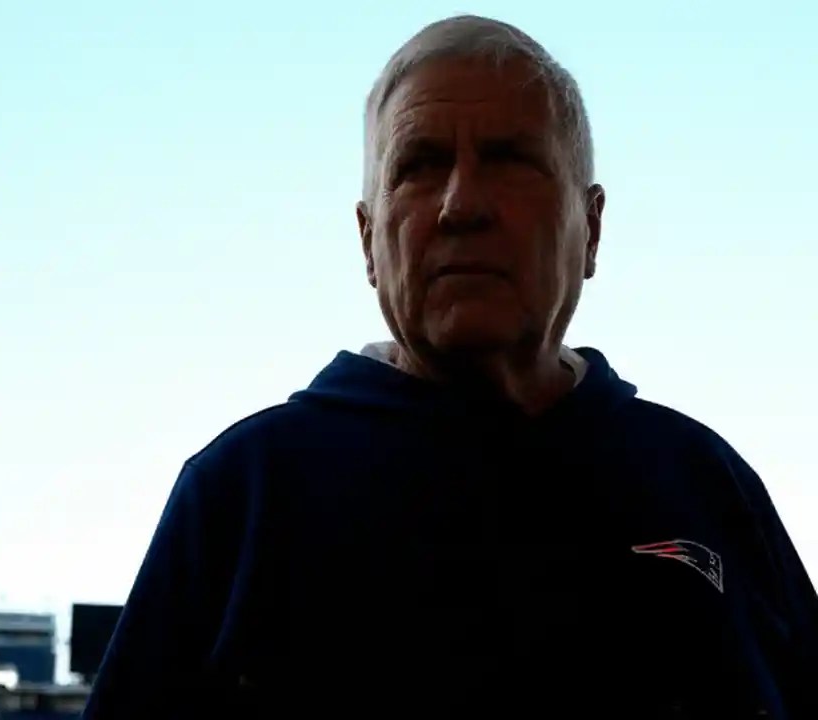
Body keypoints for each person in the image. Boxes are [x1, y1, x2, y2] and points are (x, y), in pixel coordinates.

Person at [81, 15, 818, 719]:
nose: (461, 206)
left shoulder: (708, 490)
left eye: (510, 160)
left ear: (591, 228)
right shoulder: (241, 498)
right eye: (420, 167)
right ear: (368, 240)